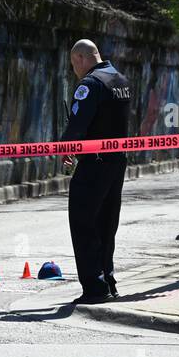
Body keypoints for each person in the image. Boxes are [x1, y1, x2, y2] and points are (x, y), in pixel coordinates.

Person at [59, 39, 132, 304]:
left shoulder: (90, 84)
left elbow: (79, 122)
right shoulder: (120, 80)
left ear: (80, 58)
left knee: (83, 222)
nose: (74, 71)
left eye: (73, 65)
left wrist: (66, 148)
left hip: (94, 164)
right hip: (117, 163)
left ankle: (94, 287)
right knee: (106, 224)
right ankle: (108, 281)